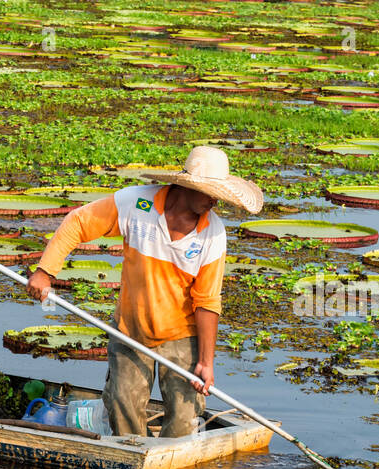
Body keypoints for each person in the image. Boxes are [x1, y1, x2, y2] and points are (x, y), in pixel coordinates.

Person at [27, 146, 264, 438]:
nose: (215, 200)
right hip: (131, 329)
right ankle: (131, 465)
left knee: (184, 419)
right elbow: (79, 223)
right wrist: (45, 271)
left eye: (219, 194)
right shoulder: (137, 203)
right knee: (122, 408)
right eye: (209, 192)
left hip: (182, 334)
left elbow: (207, 301)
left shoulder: (212, 234)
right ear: (186, 186)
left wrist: (206, 361)